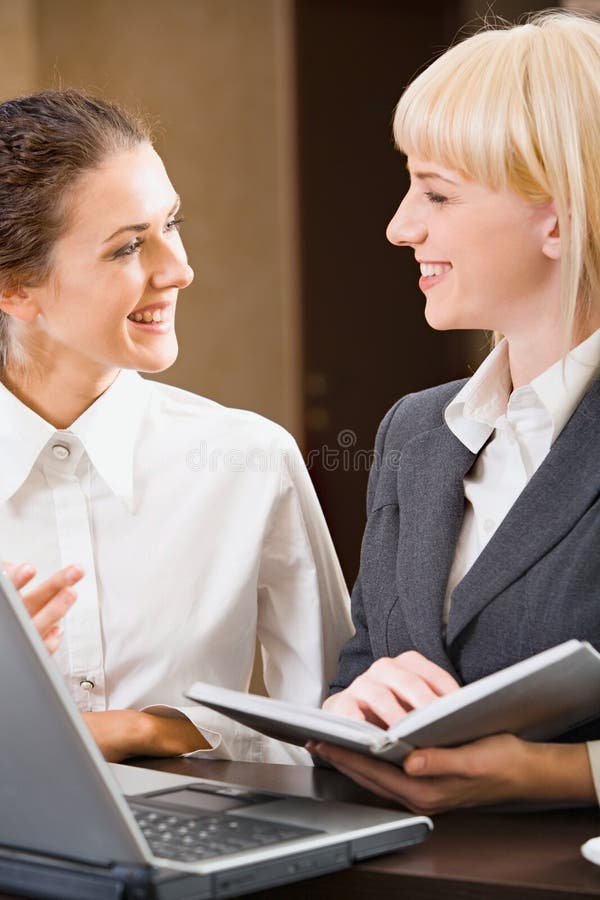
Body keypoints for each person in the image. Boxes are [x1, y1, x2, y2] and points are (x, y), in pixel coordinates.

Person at [0, 90, 352, 764]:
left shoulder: (251, 460)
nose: (180, 270)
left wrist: (154, 730)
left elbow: (336, 738)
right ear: (16, 288)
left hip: (215, 858)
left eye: (173, 223)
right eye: (128, 246)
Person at [310, 10, 600, 811]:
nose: (401, 227)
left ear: (561, 215)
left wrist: (562, 775)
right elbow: (362, 666)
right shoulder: (417, 429)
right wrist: (346, 713)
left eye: (436, 192)